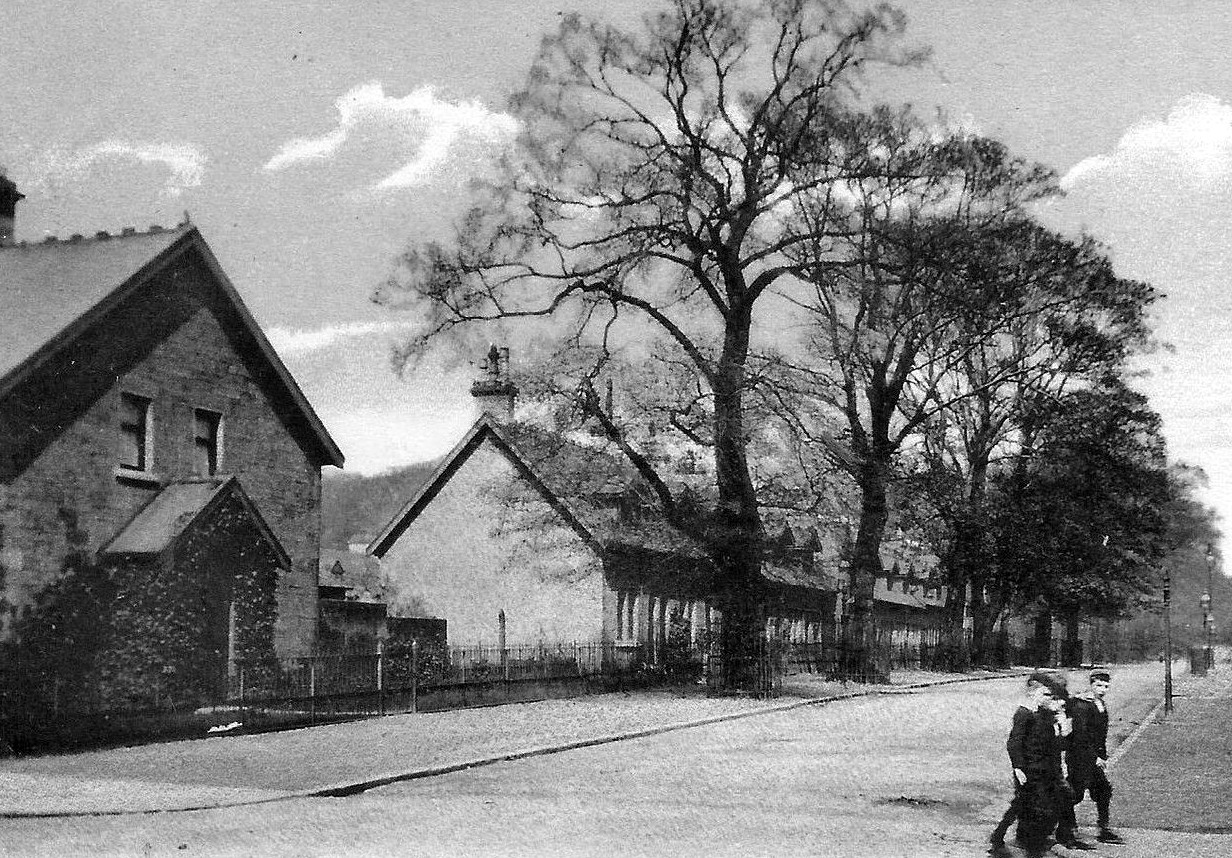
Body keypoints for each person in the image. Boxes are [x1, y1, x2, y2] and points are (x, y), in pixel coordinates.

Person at [989, 672, 1073, 856]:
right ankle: (1032, 848)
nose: (1050, 699)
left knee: (1023, 804)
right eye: (1045, 695)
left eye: (1051, 696)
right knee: (1035, 807)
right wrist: (1018, 767)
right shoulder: (1024, 714)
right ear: (1032, 694)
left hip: (1046, 771)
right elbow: (1014, 742)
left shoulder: (1047, 715)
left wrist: (1062, 730)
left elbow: (1055, 747)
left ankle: (1001, 836)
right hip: (1028, 770)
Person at [1065, 668, 1125, 845]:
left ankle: (1103, 829)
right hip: (1079, 757)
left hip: (1093, 758)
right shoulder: (1082, 705)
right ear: (1091, 685)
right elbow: (1081, 735)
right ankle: (1068, 830)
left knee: (1103, 791)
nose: (1102, 689)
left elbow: (1101, 735)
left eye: (1106, 686)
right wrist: (1095, 757)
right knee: (1074, 794)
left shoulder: (1100, 704)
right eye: (1098, 685)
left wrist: (1102, 756)